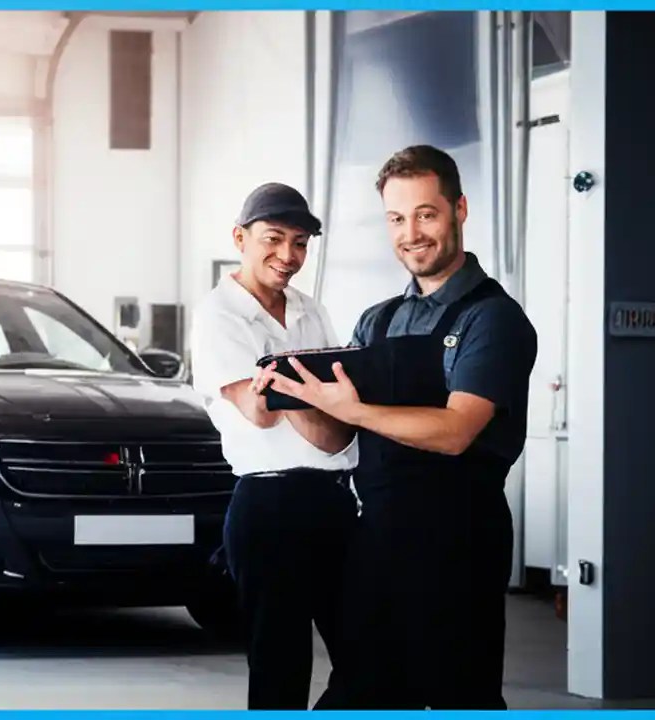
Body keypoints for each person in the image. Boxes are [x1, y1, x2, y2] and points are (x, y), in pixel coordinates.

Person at [266, 145, 537, 709]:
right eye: (396, 218)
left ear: (459, 210)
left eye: (425, 214)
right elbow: (337, 438)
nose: (410, 234)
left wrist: (353, 410)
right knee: (360, 691)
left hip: (461, 542)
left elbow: (457, 430)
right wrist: (293, 395)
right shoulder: (378, 319)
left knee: (460, 695)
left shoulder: (494, 319)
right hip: (379, 540)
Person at [189, 182, 359, 710]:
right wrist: (318, 399)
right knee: (281, 667)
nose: (288, 255)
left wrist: (284, 384)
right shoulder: (219, 314)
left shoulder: (310, 310)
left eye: (301, 243)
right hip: (270, 505)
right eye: (274, 238)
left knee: (371, 656)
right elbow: (259, 413)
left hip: (335, 499)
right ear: (240, 238)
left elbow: (339, 427)